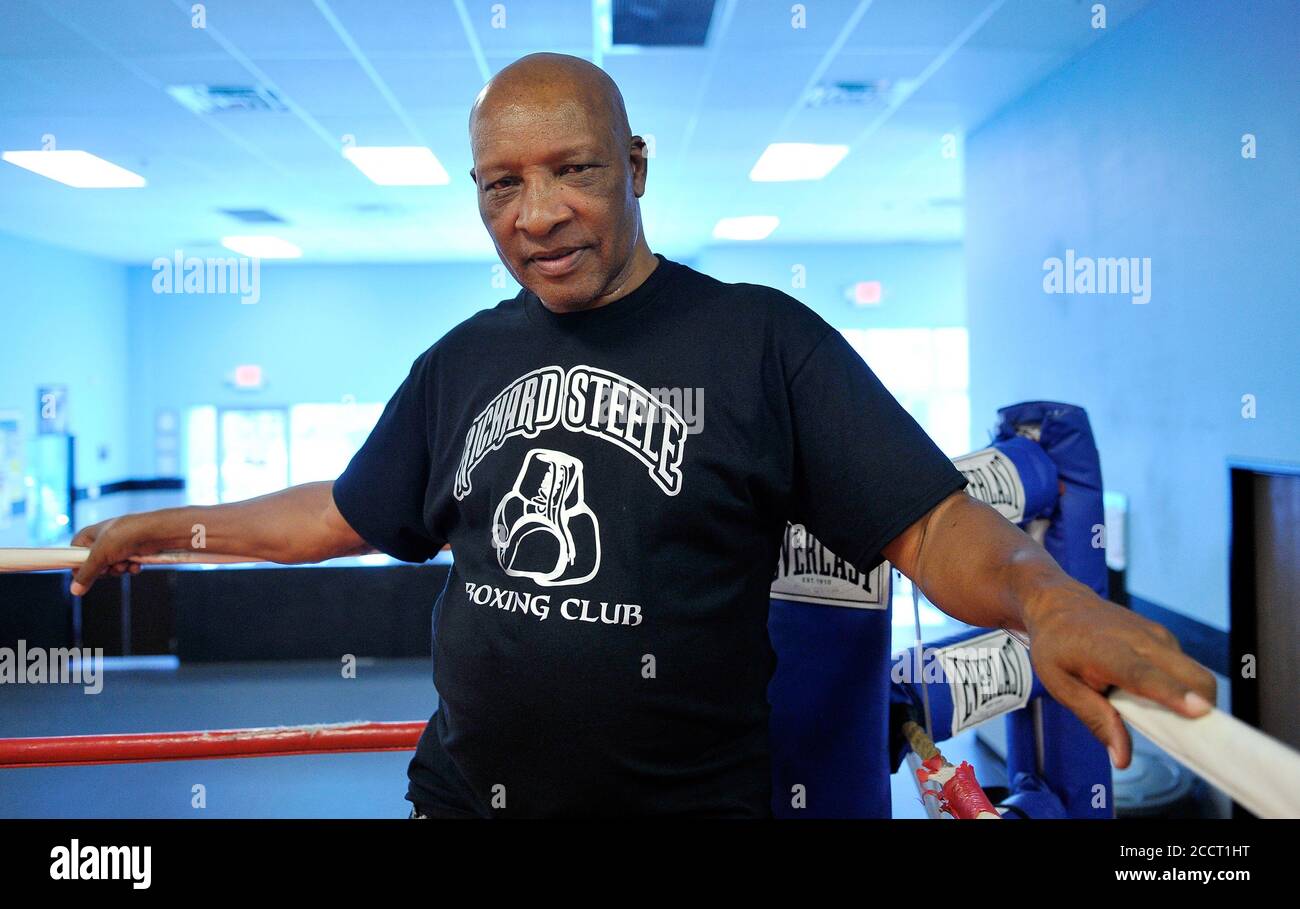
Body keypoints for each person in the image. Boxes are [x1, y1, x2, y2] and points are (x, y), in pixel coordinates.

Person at [71, 53, 1216, 818]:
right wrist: (162, 526)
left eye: (571, 170)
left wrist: (1047, 598)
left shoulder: (761, 342)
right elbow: (335, 511)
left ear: (635, 165)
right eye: (498, 185)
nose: (535, 214)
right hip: (462, 802)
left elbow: (929, 522)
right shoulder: (465, 358)